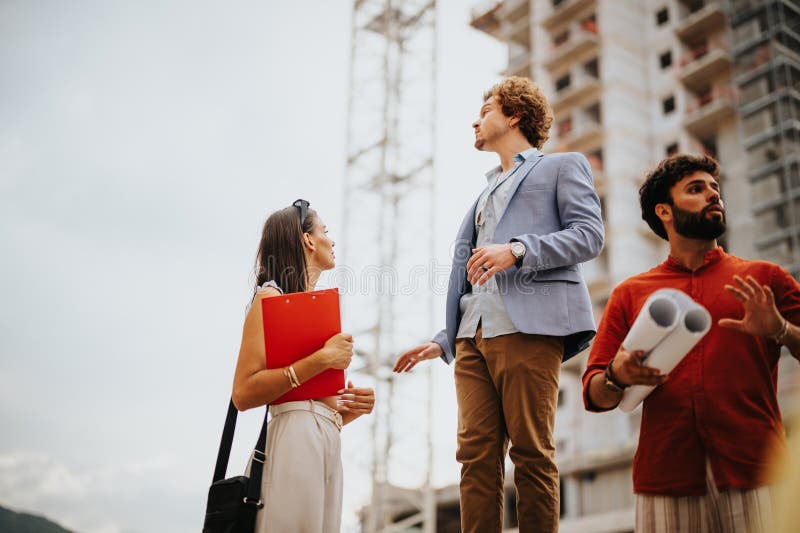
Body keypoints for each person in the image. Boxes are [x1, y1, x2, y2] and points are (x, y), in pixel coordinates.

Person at [393, 76, 604, 533]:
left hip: (528, 327)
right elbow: (472, 281)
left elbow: (589, 236)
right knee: (473, 456)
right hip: (471, 338)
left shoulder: (562, 166)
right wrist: (444, 338)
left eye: (485, 109)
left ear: (514, 116)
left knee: (531, 451)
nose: (475, 119)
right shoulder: (482, 193)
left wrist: (518, 250)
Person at [582, 154, 800, 532]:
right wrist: (617, 374)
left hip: (760, 471)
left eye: (715, 189)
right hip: (666, 478)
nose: (713, 196)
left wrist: (780, 328)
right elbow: (595, 395)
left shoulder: (765, 278)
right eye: (696, 190)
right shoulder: (629, 294)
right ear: (664, 212)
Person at [232, 199, 375, 533]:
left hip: (326, 437)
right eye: (325, 231)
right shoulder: (269, 298)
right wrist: (322, 359)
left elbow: (309, 403)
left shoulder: (316, 308)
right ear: (308, 240)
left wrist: (347, 412)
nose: (332, 240)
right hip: (294, 438)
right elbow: (243, 393)